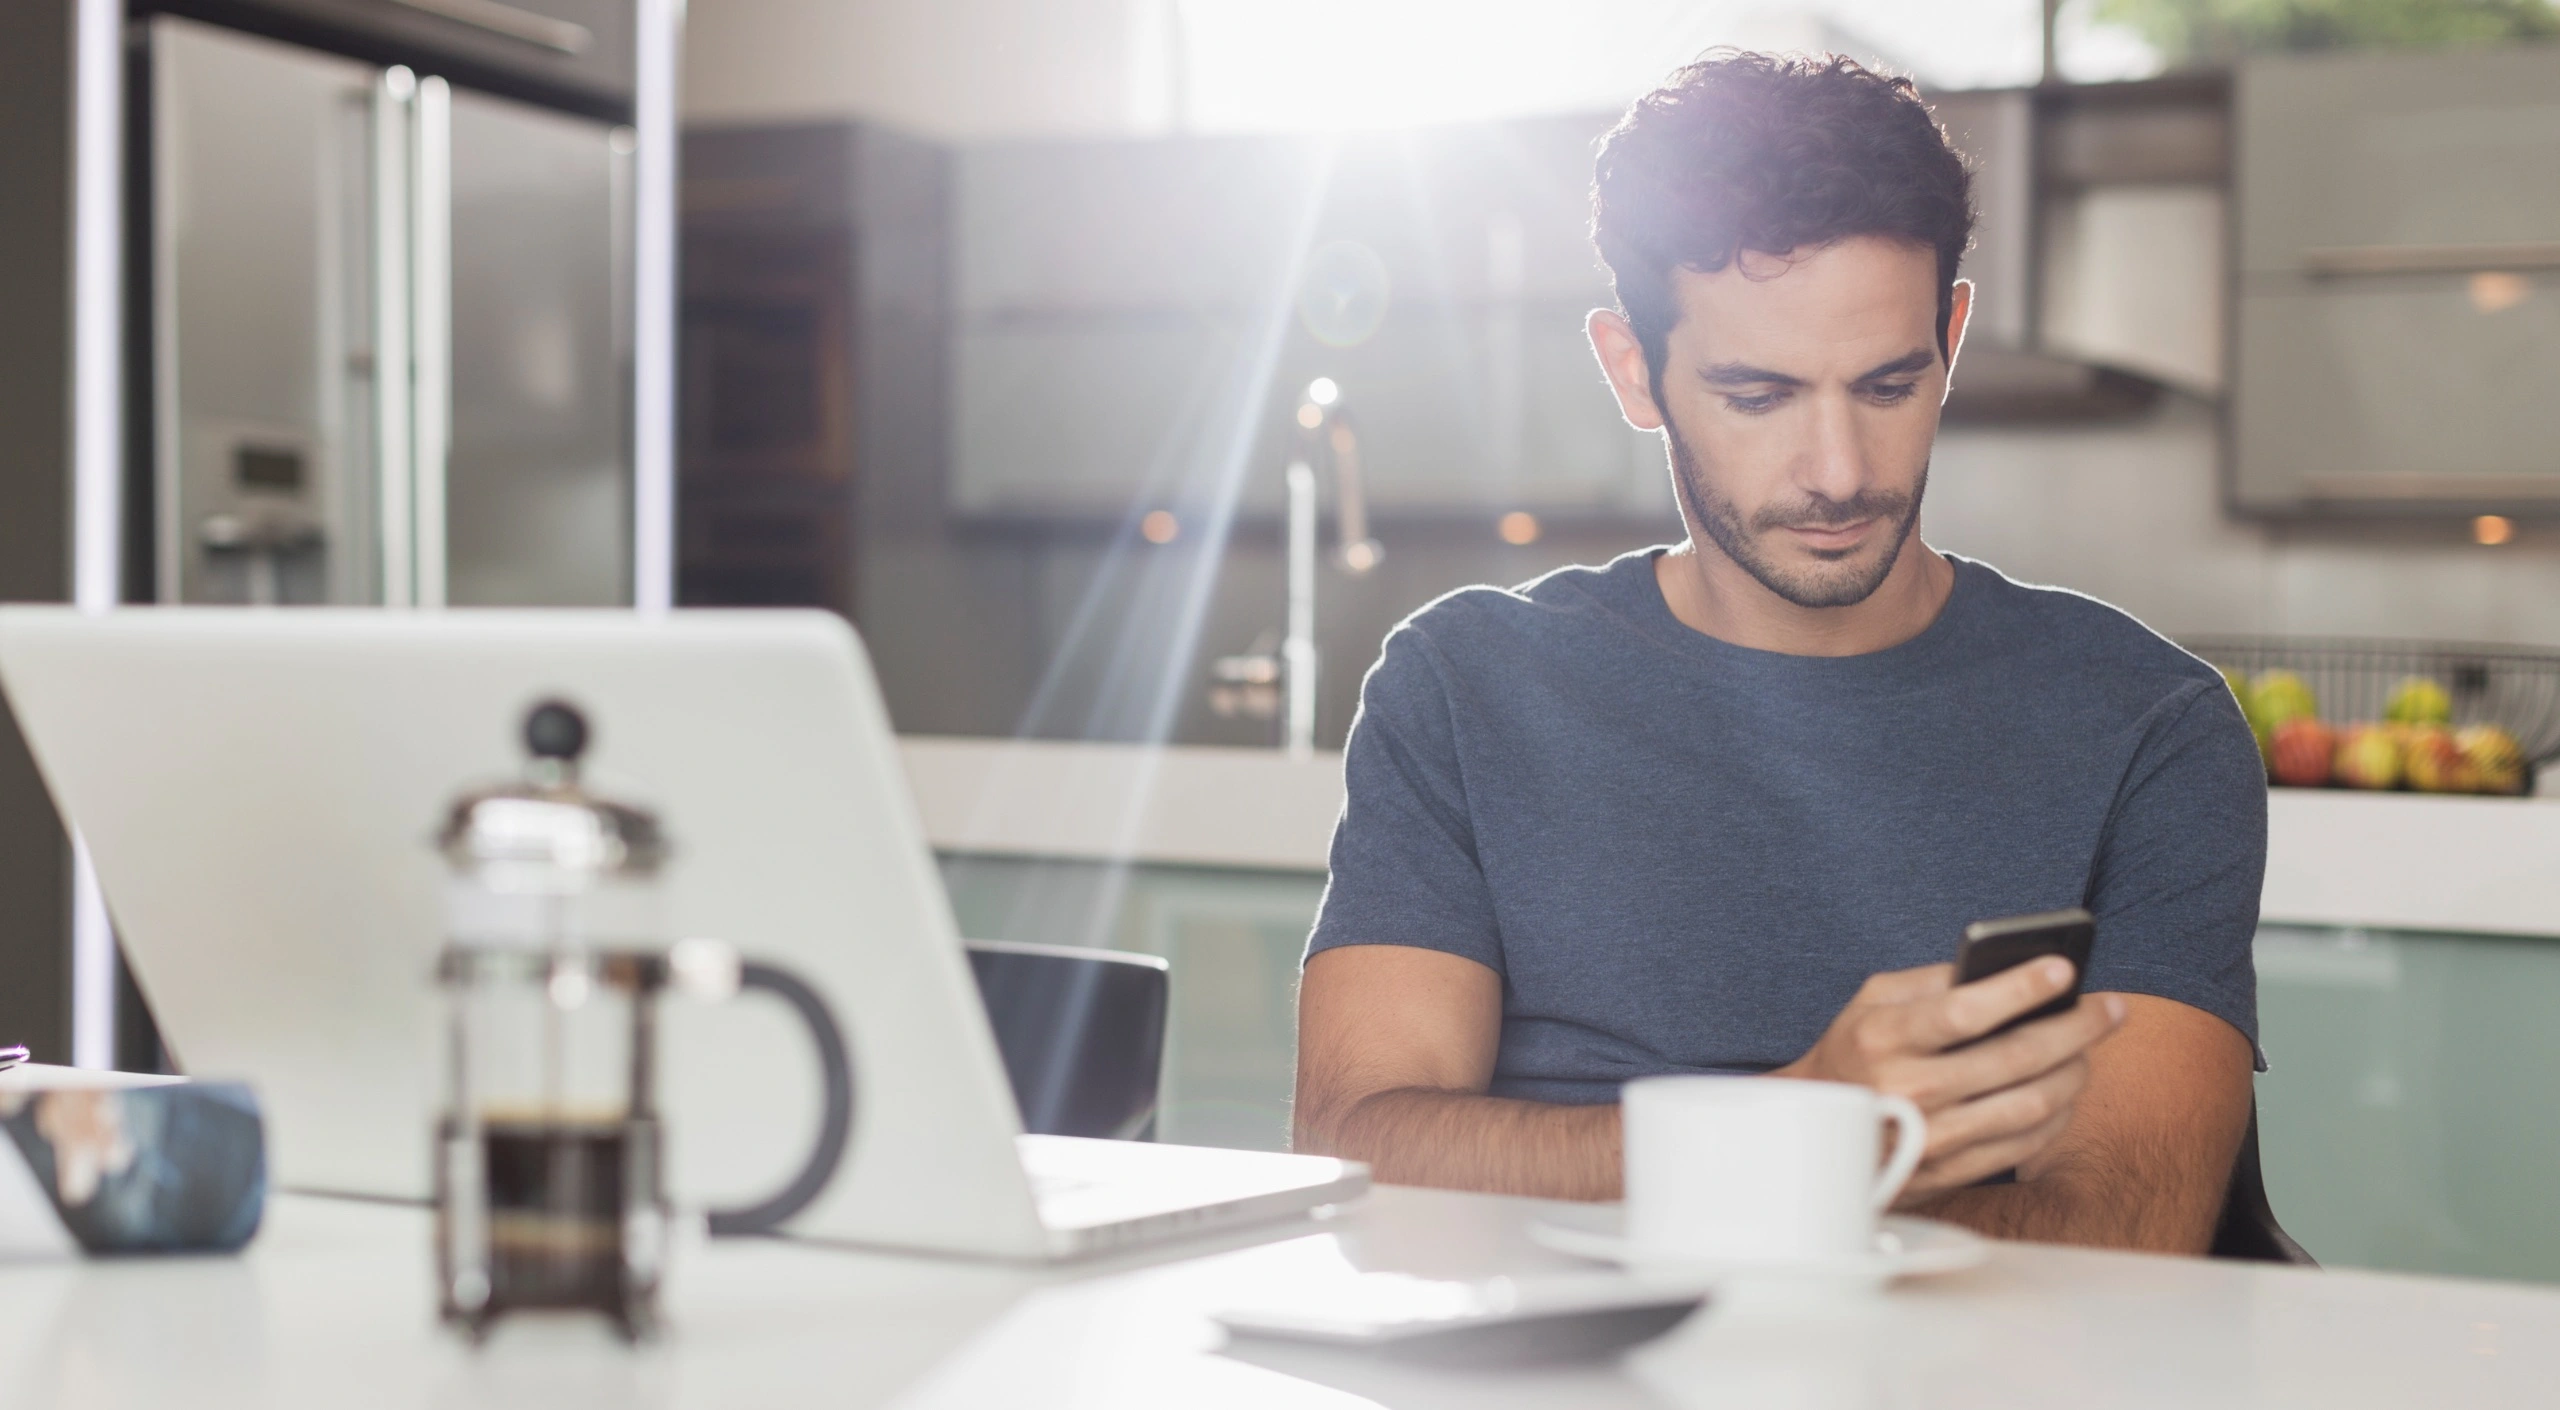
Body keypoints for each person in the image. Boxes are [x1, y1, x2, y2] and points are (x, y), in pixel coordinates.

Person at [1291, 51, 2264, 1252]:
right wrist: (1801, 1127)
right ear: (1632, 369)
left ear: (1951, 337)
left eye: (1889, 383)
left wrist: (1697, 1166)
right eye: (1757, 395)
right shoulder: (1464, 687)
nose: (1840, 471)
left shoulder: (2146, 726)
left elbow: (2125, 1238)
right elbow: (1358, 1149)